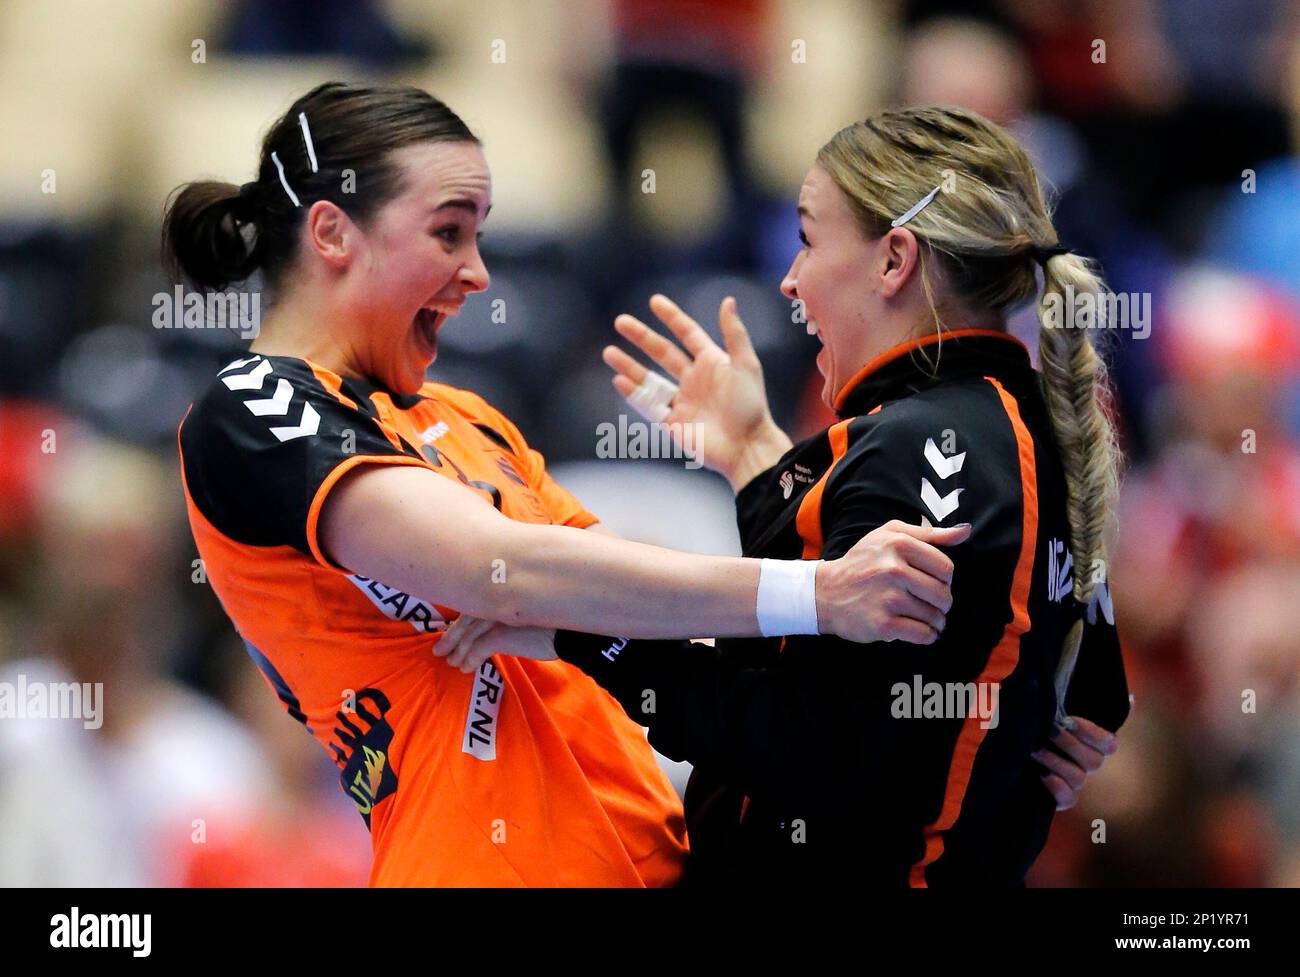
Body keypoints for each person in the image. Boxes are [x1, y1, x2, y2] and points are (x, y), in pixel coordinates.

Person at [168, 82, 973, 887]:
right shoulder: (250, 411)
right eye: (448, 232)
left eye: (479, 236)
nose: (478, 273)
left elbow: (633, 619)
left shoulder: (467, 416)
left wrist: (756, 458)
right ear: (333, 232)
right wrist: (819, 591)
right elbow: (499, 568)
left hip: (654, 861)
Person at [439, 105, 1132, 886]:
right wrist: (751, 452)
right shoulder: (1039, 433)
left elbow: (817, 751)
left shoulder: (917, 447)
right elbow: (1089, 702)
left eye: (808, 238)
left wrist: (588, 637)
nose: (791, 279)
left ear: (894, 259)